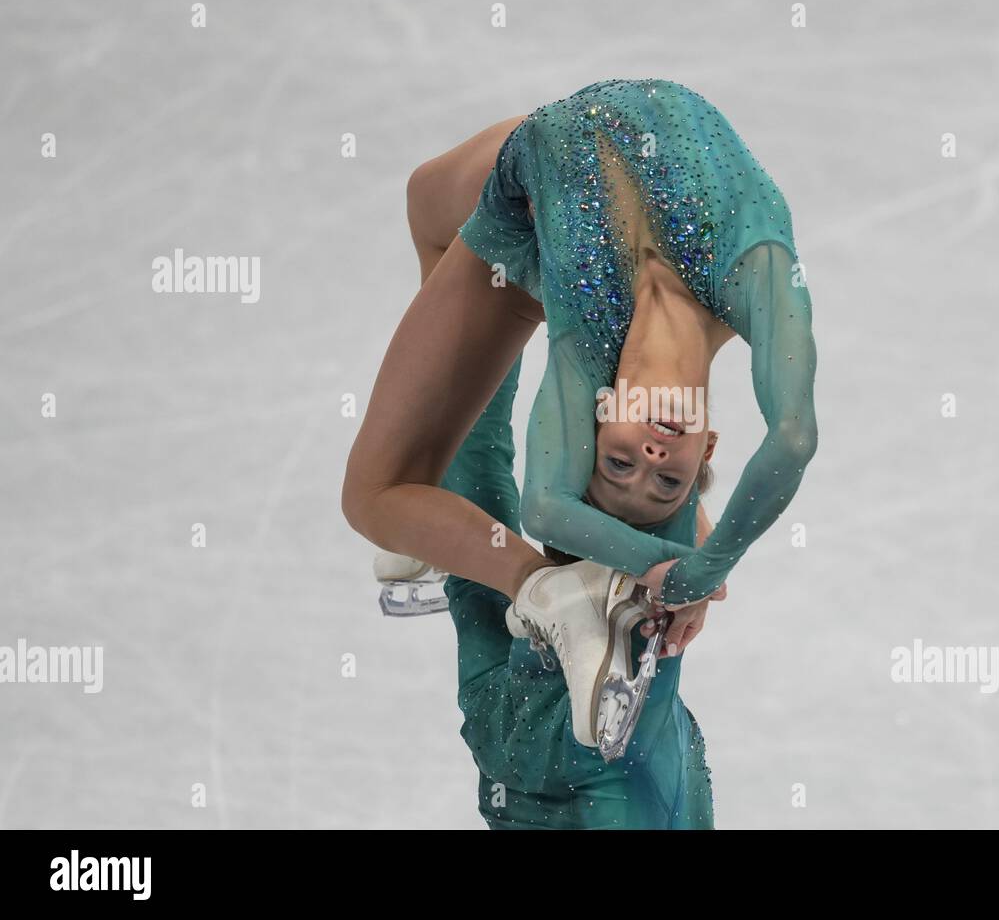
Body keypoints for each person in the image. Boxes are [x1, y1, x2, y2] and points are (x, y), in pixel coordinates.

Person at [342, 78, 817, 828]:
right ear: (705, 459)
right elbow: (793, 437)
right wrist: (699, 569)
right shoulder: (754, 270)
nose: (653, 450)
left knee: (374, 496)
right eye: (667, 475)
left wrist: (660, 562)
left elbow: (542, 503)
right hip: (583, 138)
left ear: (600, 419)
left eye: (626, 462)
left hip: (540, 175)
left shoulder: (590, 350)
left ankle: (536, 584)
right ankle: (455, 519)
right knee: (425, 199)